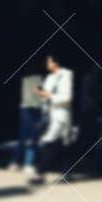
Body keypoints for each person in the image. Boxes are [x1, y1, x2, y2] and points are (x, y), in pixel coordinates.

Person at [34, 54, 74, 185]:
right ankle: (67, 172)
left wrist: (49, 95)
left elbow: (67, 97)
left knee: (48, 141)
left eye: (49, 61)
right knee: (62, 144)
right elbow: (46, 97)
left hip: (61, 116)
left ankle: (40, 173)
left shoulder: (66, 74)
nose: (47, 64)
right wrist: (42, 94)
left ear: (55, 62)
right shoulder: (50, 77)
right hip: (50, 115)